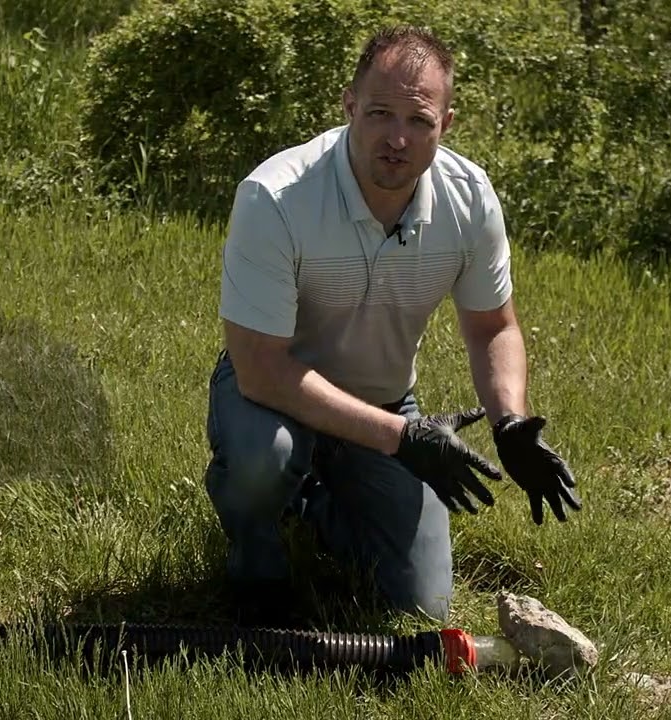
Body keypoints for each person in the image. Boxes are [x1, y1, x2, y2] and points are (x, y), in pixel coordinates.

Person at [202, 25, 581, 625]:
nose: (397, 138)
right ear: (349, 106)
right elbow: (261, 367)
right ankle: (257, 562)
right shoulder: (275, 196)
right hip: (270, 397)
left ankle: (312, 505)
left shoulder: (470, 198)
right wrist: (405, 440)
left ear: (446, 125)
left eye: (419, 121)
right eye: (380, 113)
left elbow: (492, 327)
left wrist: (509, 420)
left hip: (382, 403)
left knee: (422, 602)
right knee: (262, 460)